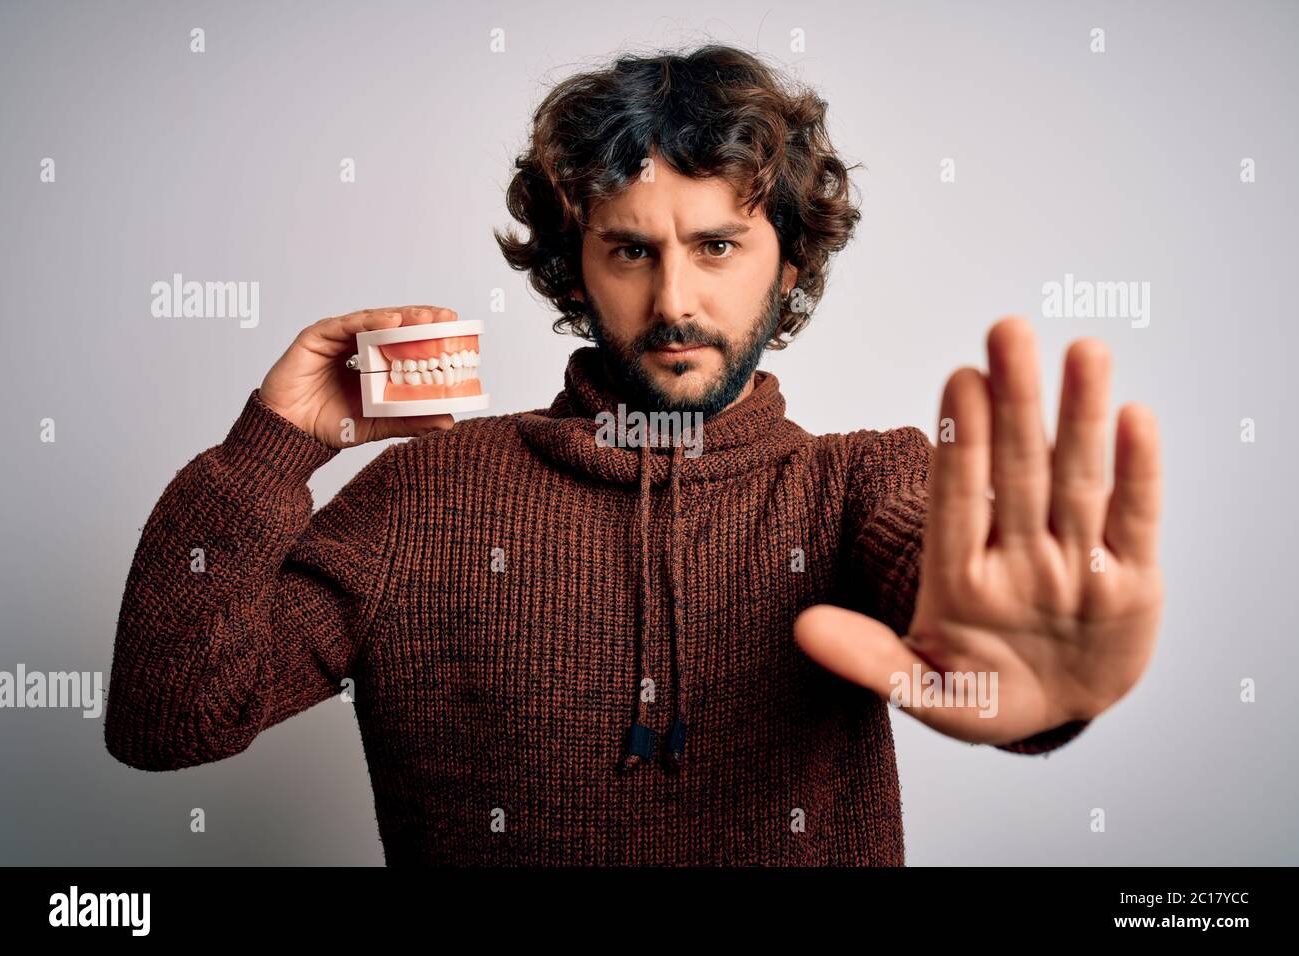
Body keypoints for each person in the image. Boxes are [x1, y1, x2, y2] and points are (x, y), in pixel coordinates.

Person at [104, 45, 1162, 865]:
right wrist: (270, 446)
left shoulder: (856, 484)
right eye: (629, 249)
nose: (674, 300)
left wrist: (1030, 689)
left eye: (716, 244)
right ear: (574, 269)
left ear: (787, 262)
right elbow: (171, 716)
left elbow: (953, 598)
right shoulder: (422, 495)